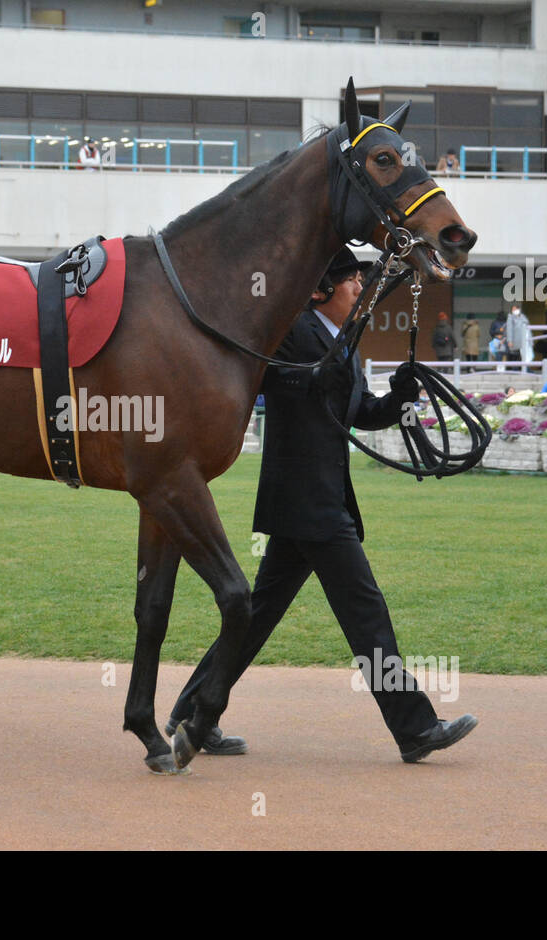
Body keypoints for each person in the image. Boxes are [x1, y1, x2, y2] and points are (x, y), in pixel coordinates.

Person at [164, 246, 478, 763]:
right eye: (351, 280)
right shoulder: (291, 329)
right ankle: (416, 728)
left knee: (256, 617)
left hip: (313, 507)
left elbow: (360, 413)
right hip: (310, 506)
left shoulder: (346, 343)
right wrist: (311, 376)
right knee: (367, 613)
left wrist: (399, 396)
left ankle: (192, 713)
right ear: (319, 291)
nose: (359, 287)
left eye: (359, 279)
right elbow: (269, 379)